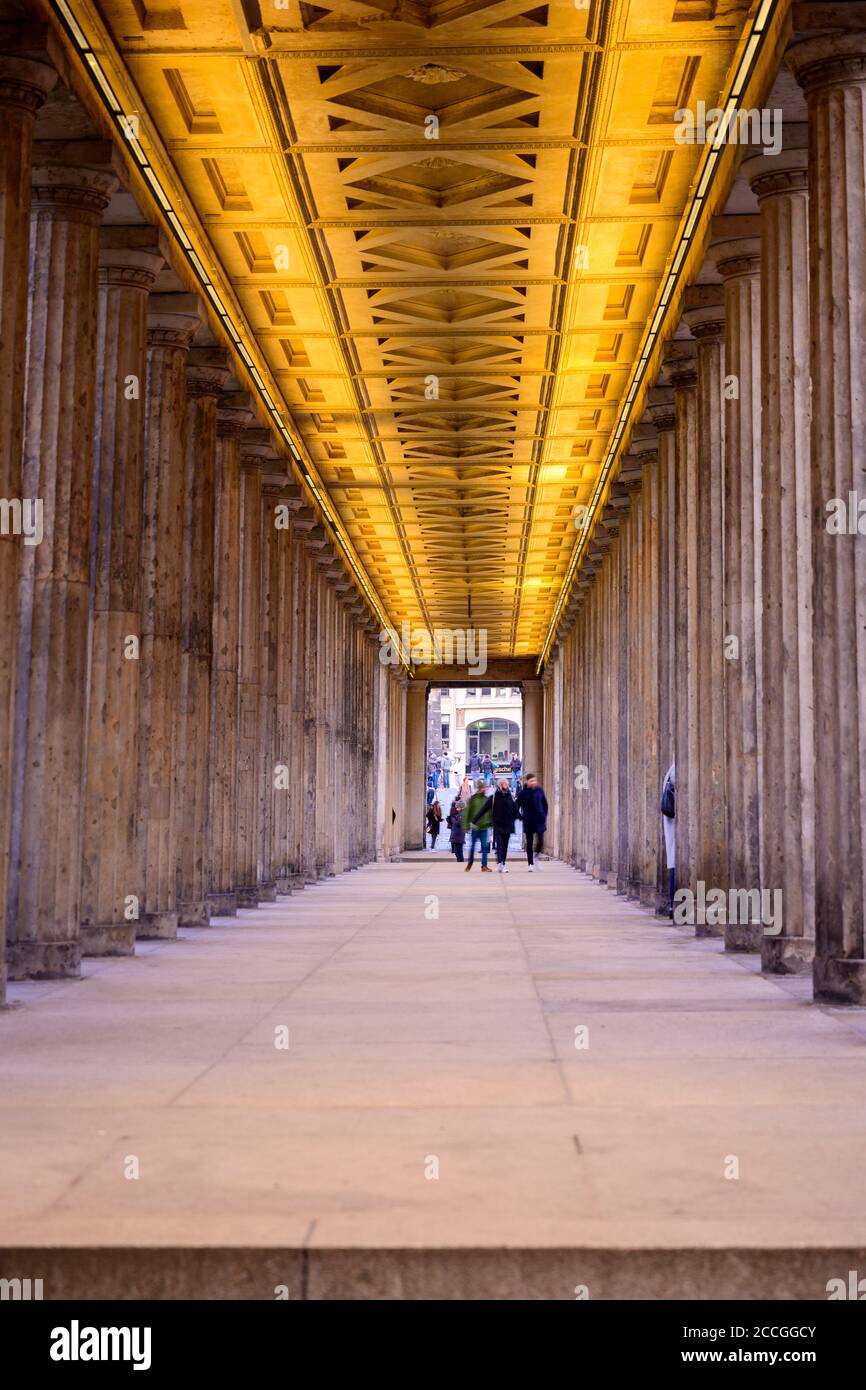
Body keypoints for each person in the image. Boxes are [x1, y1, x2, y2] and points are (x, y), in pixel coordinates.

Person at [515, 773, 548, 872]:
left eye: (535, 780)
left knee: (541, 841)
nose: (533, 783)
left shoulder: (540, 791)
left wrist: (544, 815)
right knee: (529, 843)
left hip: (539, 820)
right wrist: (520, 817)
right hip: (528, 821)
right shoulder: (523, 793)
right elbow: (516, 806)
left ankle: (536, 857)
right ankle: (530, 863)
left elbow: (545, 804)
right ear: (527, 782)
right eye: (531, 781)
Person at [462, 779, 493, 872]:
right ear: (479, 789)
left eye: (485, 788)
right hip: (475, 827)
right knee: (472, 847)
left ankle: (484, 866)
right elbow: (467, 812)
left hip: (484, 827)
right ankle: (470, 863)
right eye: (483, 788)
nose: (485, 790)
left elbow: (490, 812)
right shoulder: (473, 799)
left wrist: (491, 822)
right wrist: (465, 825)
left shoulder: (486, 799)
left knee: (484, 847)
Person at [491, 779, 517, 873]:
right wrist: (475, 819)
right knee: (500, 845)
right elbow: (485, 808)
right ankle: (500, 863)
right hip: (498, 825)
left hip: (508, 825)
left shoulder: (510, 796)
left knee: (505, 846)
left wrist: (519, 817)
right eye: (503, 784)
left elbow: (515, 809)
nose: (505, 785)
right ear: (500, 785)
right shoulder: (495, 796)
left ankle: (502, 864)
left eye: (506, 784)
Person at [661, 760, 676, 918]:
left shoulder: (672, 770)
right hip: (679, 828)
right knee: (677, 865)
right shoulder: (676, 770)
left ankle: (674, 904)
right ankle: (676, 905)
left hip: (675, 828)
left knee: (675, 864)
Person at [447, 796, 466, 863]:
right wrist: (451, 819)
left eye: (457, 807)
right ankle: (460, 862)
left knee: (459, 852)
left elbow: (458, 823)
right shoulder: (458, 814)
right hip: (456, 834)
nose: (456, 808)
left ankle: (460, 863)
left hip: (459, 835)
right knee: (456, 852)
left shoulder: (462, 814)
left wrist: (453, 819)